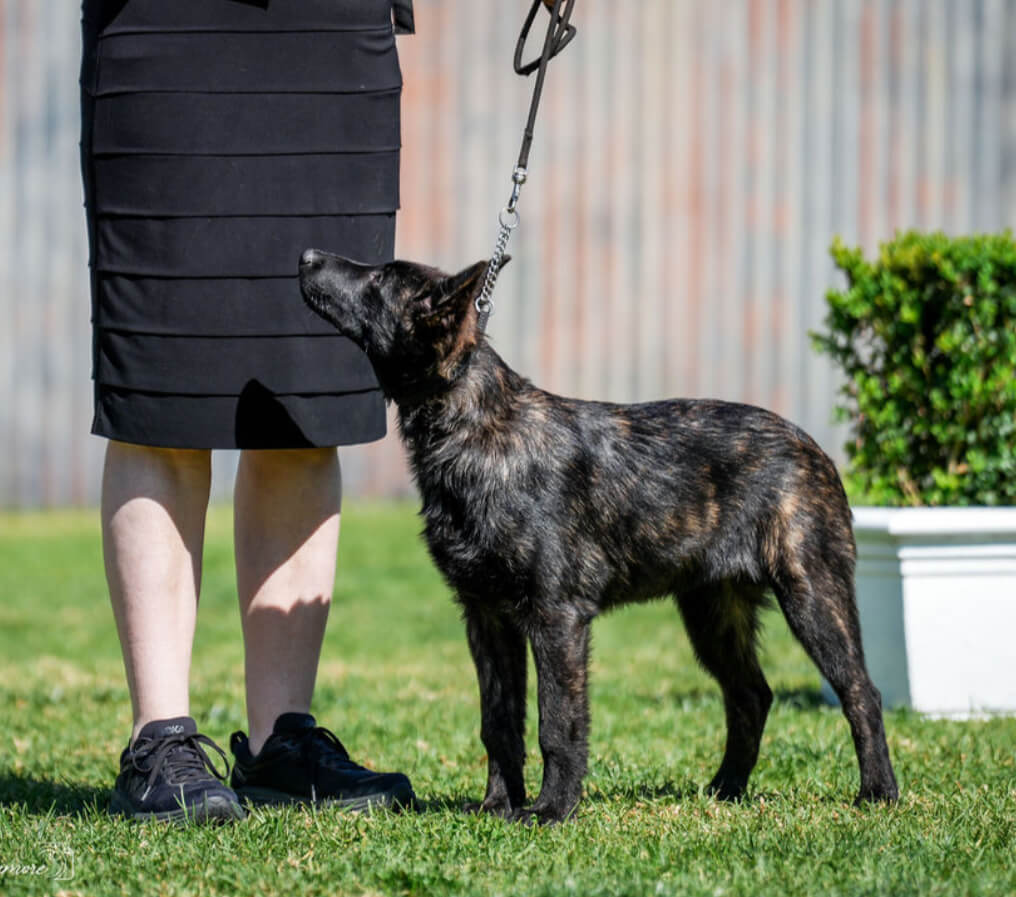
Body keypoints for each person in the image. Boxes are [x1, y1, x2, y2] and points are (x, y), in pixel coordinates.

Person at [79, 0, 416, 822]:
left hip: (329, 28)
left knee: (310, 387)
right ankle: (159, 742)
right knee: (162, 379)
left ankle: (281, 740)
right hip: (164, 19)